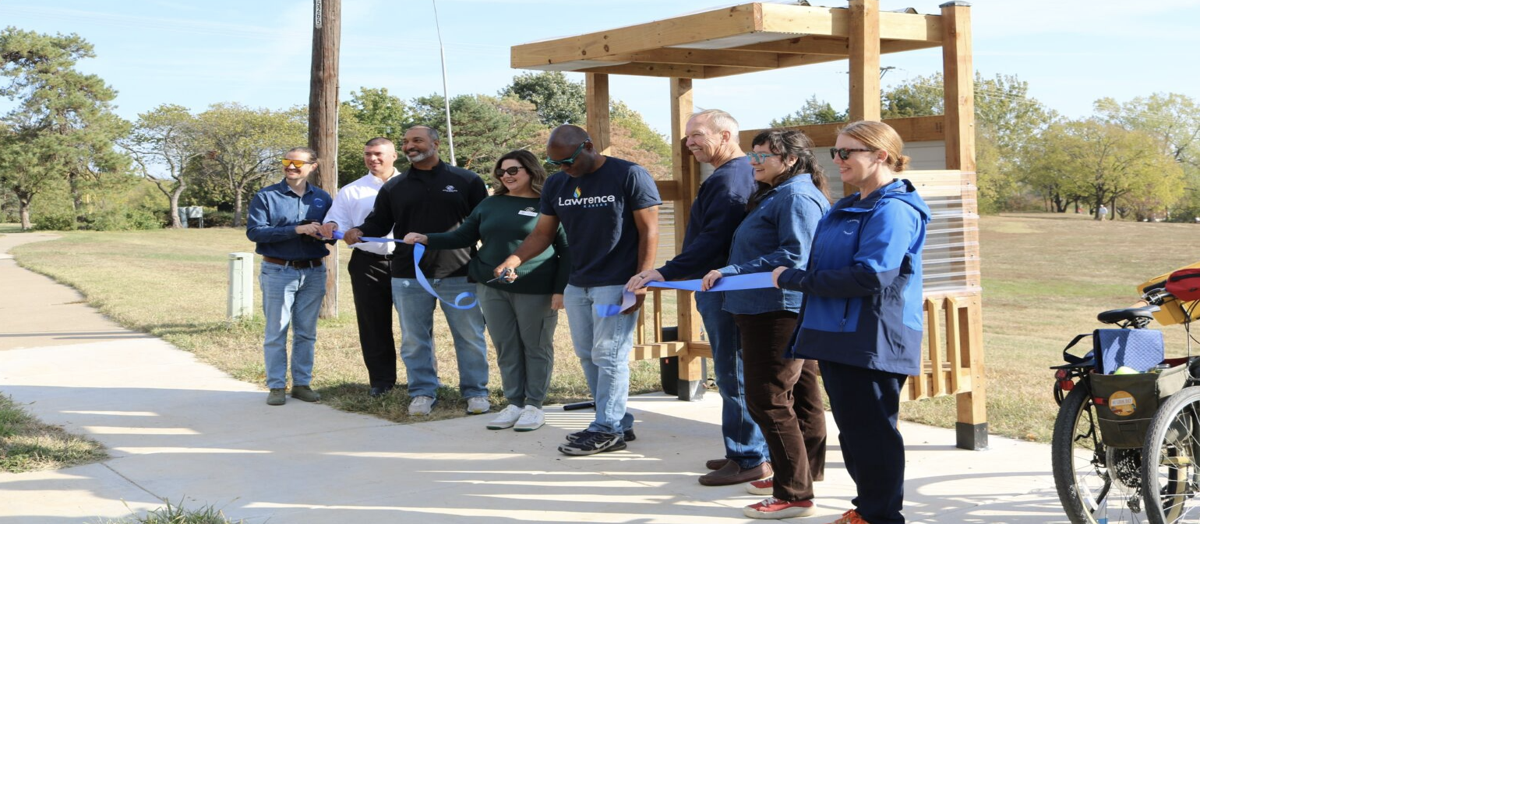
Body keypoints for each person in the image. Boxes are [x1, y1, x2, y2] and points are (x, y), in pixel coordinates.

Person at [773, 121, 930, 525]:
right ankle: (868, 509)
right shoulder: (848, 205)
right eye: (836, 152)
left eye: (848, 152)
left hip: (873, 336)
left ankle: (882, 516)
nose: (838, 160)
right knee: (856, 433)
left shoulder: (894, 208)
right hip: (836, 335)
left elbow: (871, 275)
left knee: (873, 434)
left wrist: (794, 278)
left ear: (881, 155)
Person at [495, 125, 661, 457]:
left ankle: (606, 428)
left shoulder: (629, 175)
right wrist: (514, 258)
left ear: (588, 146)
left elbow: (649, 229)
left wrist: (641, 282)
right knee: (587, 354)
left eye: (569, 161)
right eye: (556, 163)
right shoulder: (558, 183)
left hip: (617, 283)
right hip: (578, 283)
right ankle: (617, 419)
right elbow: (542, 233)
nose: (564, 169)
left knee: (609, 356)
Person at [626, 110, 768, 486]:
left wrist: (664, 270)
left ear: (725, 135)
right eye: (687, 137)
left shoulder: (732, 179)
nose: (689, 143)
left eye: (697, 135)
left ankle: (750, 457)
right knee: (732, 370)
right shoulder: (730, 175)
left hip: (728, 293)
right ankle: (744, 448)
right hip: (719, 291)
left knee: (733, 373)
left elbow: (715, 240)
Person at [700, 128, 830, 519]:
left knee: (767, 398)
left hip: (776, 312)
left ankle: (792, 494)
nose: (752, 163)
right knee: (802, 394)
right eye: (752, 155)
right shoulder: (779, 193)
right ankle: (804, 471)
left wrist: (732, 269)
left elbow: (795, 254)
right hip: (769, 307)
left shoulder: (795, 196)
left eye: (761, 157)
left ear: (790, 160)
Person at [405, 150, 569, 432]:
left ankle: (534, 405)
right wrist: (426, 238)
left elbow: (566, 250)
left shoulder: (549, 204)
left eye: (513, 170)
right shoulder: (490, 204)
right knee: (506, 346)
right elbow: (462, 236)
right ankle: (515, 402)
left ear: (530, 170)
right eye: (501, 172)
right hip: (491, 286)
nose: (506, 176)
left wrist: (560, 290)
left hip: (536, 286)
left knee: (536, 346)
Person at [347, 125, 491, 418]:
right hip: (408, 274)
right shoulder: (394, 187)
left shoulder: (466, 180)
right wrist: (358, 231)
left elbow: (485, 224)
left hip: (460, 271)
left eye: (417, 140)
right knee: (414, 339)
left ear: (435, 143)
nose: (409, 146)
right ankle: (422, 391)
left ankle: (476, 392)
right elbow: (378, 223)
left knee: (470, 336)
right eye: (406, 142)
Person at [246, 146, 334, 407]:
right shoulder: (266, 196)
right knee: (277, 331)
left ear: (312, 167)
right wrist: (296, 229)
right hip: (278, 270)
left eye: (298, 163)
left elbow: (332, 231)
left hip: (314, 271)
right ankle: (275, 386)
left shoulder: (322, 198)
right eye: (287, 161)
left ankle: (302, 384)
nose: (291, 166)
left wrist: (328, 232)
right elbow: (255, 232)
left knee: (306, 332)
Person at [321, 137, 399, 397]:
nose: (372, 159)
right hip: (368, 264)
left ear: (394, 156)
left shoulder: (412, 186)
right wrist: (331, 227)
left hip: (408, 262)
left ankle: (425, 381)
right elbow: (334, 221)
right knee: (373, 324)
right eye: (368, 154)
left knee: (417, 325)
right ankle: (381, 382)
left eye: (378, 154)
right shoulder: (351, 190)